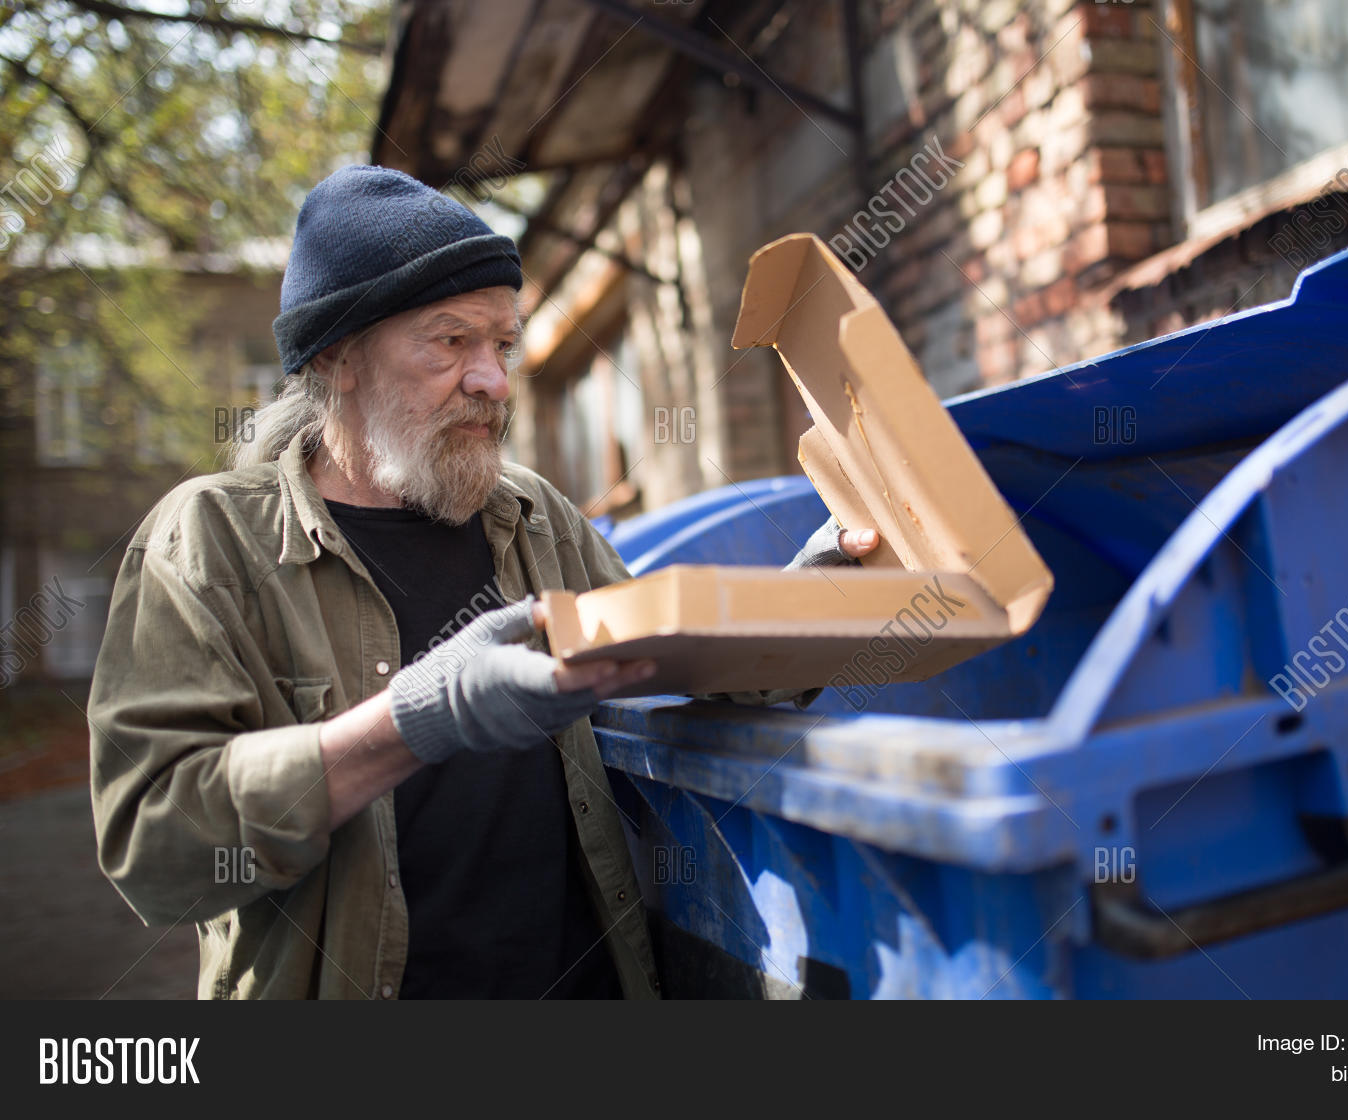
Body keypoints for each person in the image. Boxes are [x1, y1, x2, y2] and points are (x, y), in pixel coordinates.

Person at [86, 165, 878, 999]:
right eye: (450, 340)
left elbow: (670, 670)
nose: (494, 382)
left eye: (503, 344)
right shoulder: (210, 540)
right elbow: (157, 852)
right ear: (337, 357)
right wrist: (413, 720)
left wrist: (814, 595)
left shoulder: (531, 513)